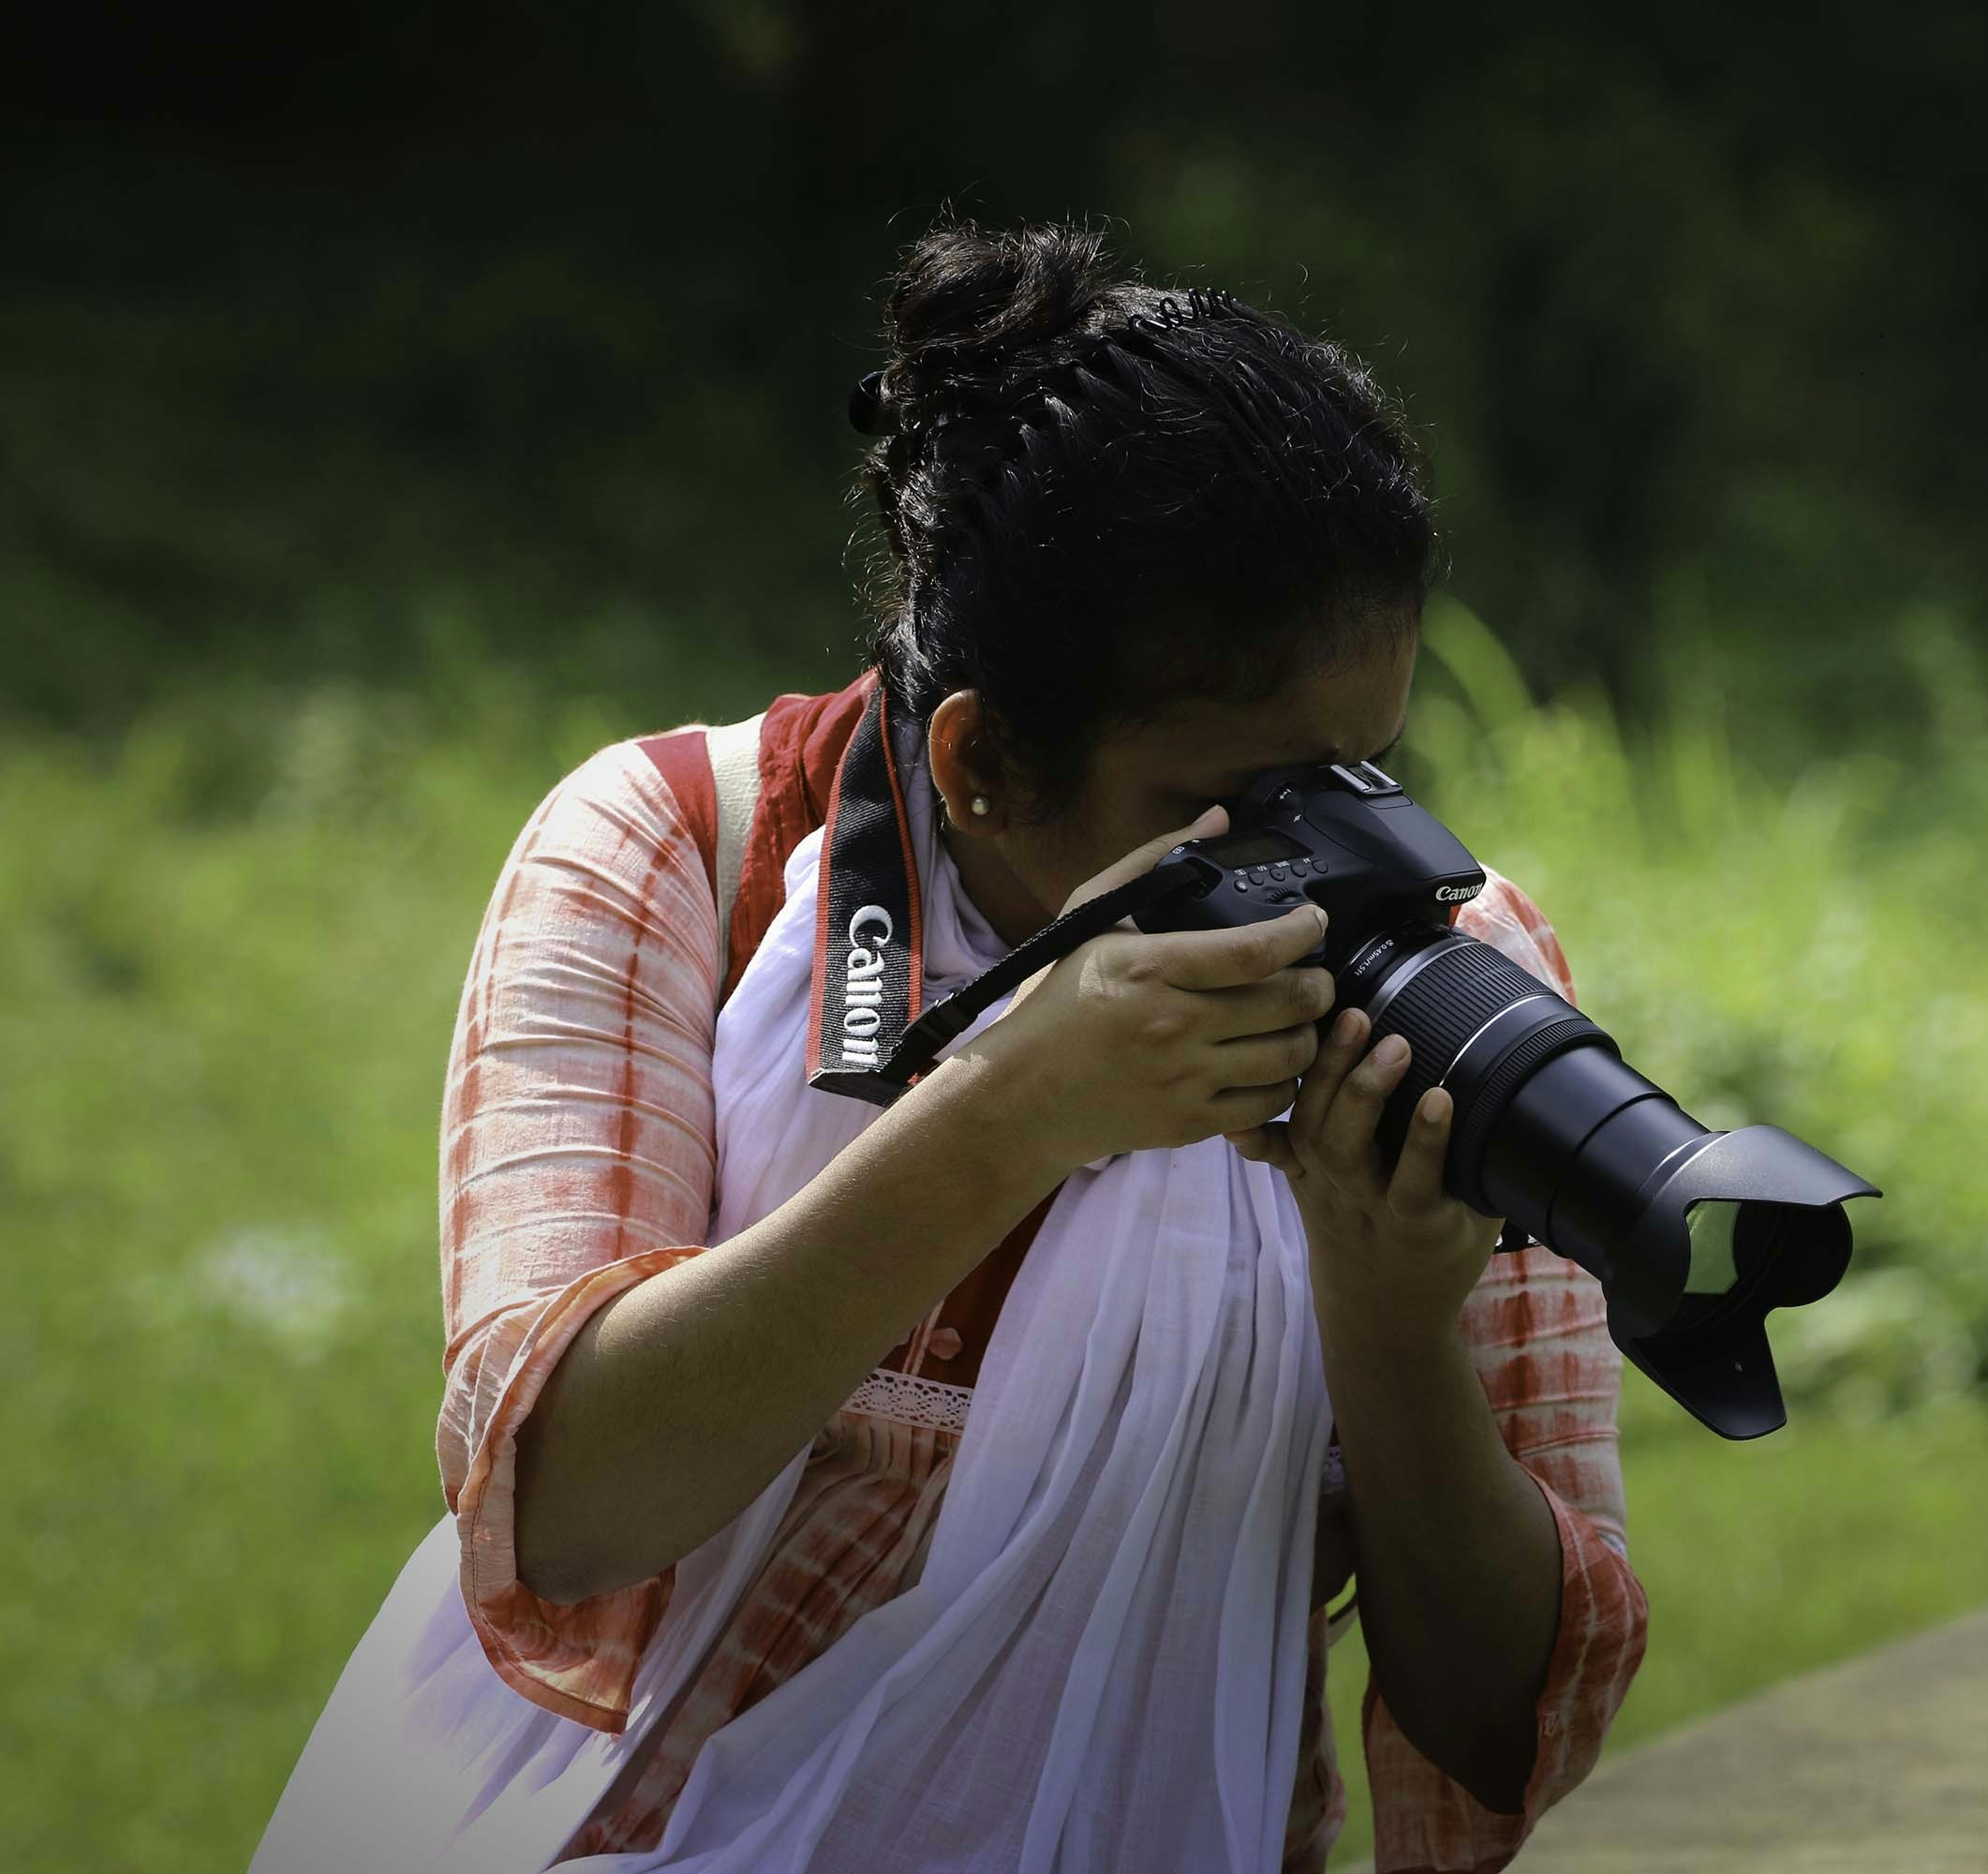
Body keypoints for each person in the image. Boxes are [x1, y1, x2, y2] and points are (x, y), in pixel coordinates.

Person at [248, 218, 1646, 1874]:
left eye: (1363, 772)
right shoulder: (684, 850)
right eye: (1240, 801)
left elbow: (1504, 1724)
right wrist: (1005, 1115)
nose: (1331, 854)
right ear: (979, 770)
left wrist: (1390, 1322)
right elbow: (560, 1509)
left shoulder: (1461, 965)